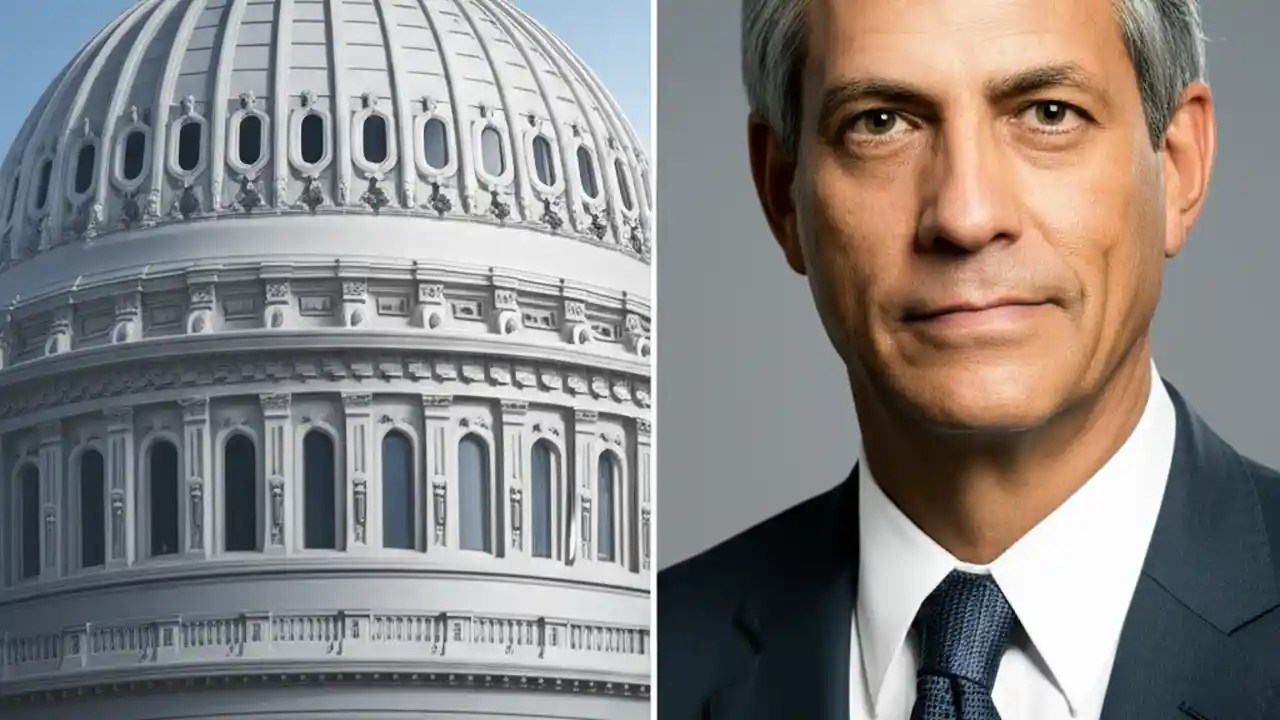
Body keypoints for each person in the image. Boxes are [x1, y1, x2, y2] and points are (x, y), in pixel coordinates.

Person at [657, 0, 1280, 718]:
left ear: (1177, 165)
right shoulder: (661, 662)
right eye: (881, 122)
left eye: (1049, 113)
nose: (965, 214)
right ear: (783, 195)